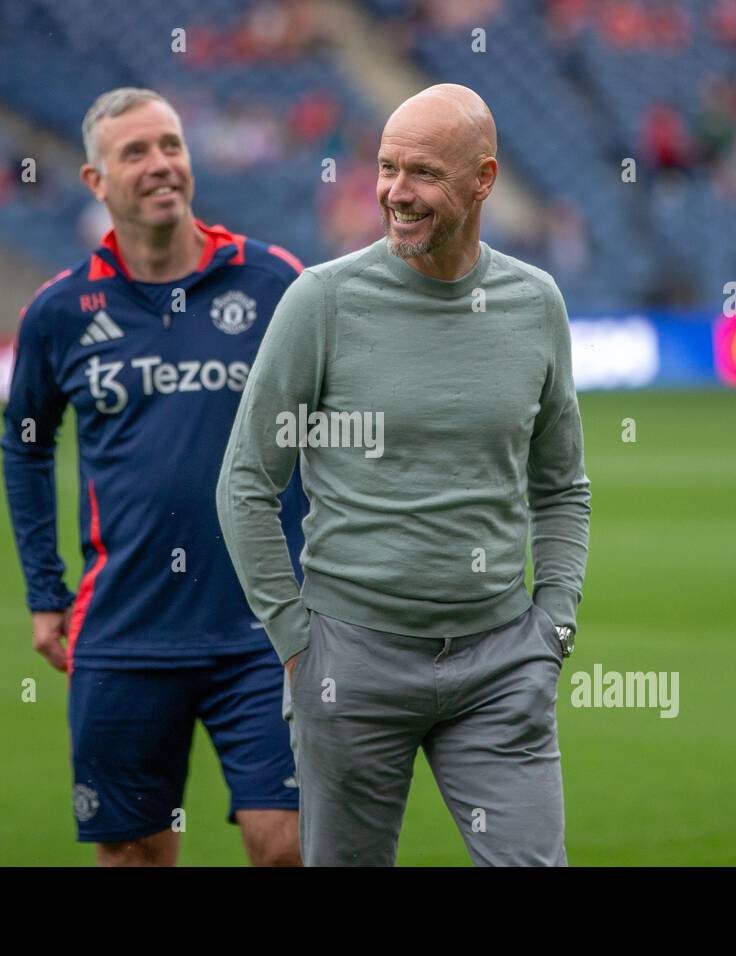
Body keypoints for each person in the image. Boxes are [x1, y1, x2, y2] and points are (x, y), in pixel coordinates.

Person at [216, 83, 591, 866]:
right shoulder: (320, 302)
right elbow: (247, 481)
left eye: (422, 172)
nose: (395, 192)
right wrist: (296, 643)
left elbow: (561, 486)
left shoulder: (535, 303)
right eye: (386, 168)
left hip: (500, 667)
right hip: (347, 666)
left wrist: (551, 623)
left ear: (483, 179)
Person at [0, 87, 306, 867]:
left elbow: (344, 428)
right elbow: (25, 444)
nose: (162, 163)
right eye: (135, 152)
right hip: (124, 630)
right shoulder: (62, 311)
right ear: (96, 182)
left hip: (267, 628)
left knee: (293, 849)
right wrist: (44, 592)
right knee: (135, 856)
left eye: (171, 144)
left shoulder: (277, 285)